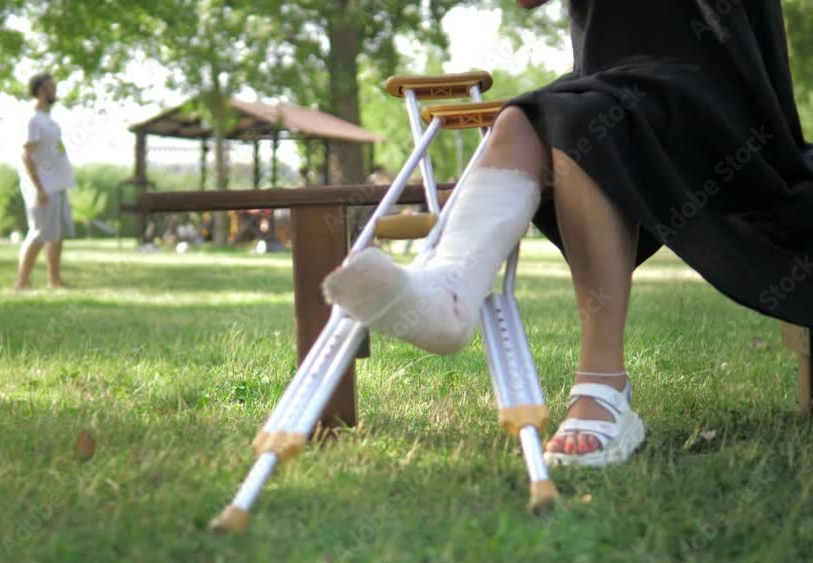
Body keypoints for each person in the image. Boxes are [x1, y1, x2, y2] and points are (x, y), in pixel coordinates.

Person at [323, 0, 813, 467]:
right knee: (520, 121)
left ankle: (603, 385)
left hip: (719, 79)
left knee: (582, 120)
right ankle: (449, 294)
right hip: (611, 74)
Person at [14, 72, 75, 290]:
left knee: (56, 236)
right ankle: (21, 282)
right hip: (42, 189)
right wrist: (38, 188)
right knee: (38, 234)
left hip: (57, 186)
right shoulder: (32, 120)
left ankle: (54, 280)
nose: (55, 90)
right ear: (41, 90)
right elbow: (26, 155)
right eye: (52, 86)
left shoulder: (49, 120)